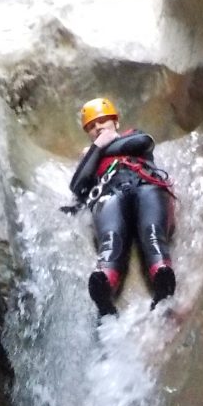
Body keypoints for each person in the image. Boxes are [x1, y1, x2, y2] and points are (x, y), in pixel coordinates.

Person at [67, 97, 177, 317]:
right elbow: (77, 185)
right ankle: (104, 285)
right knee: (111, 238)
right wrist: (97, 148)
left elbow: (143, 142)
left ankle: (162, 278)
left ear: (115, 122)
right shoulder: (93, 151)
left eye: (102, 121)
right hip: (110, 193)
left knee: (152, 232)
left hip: (147, 185)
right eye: (91, 126)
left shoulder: (134, 135)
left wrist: (95, 152)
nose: (98, 128)